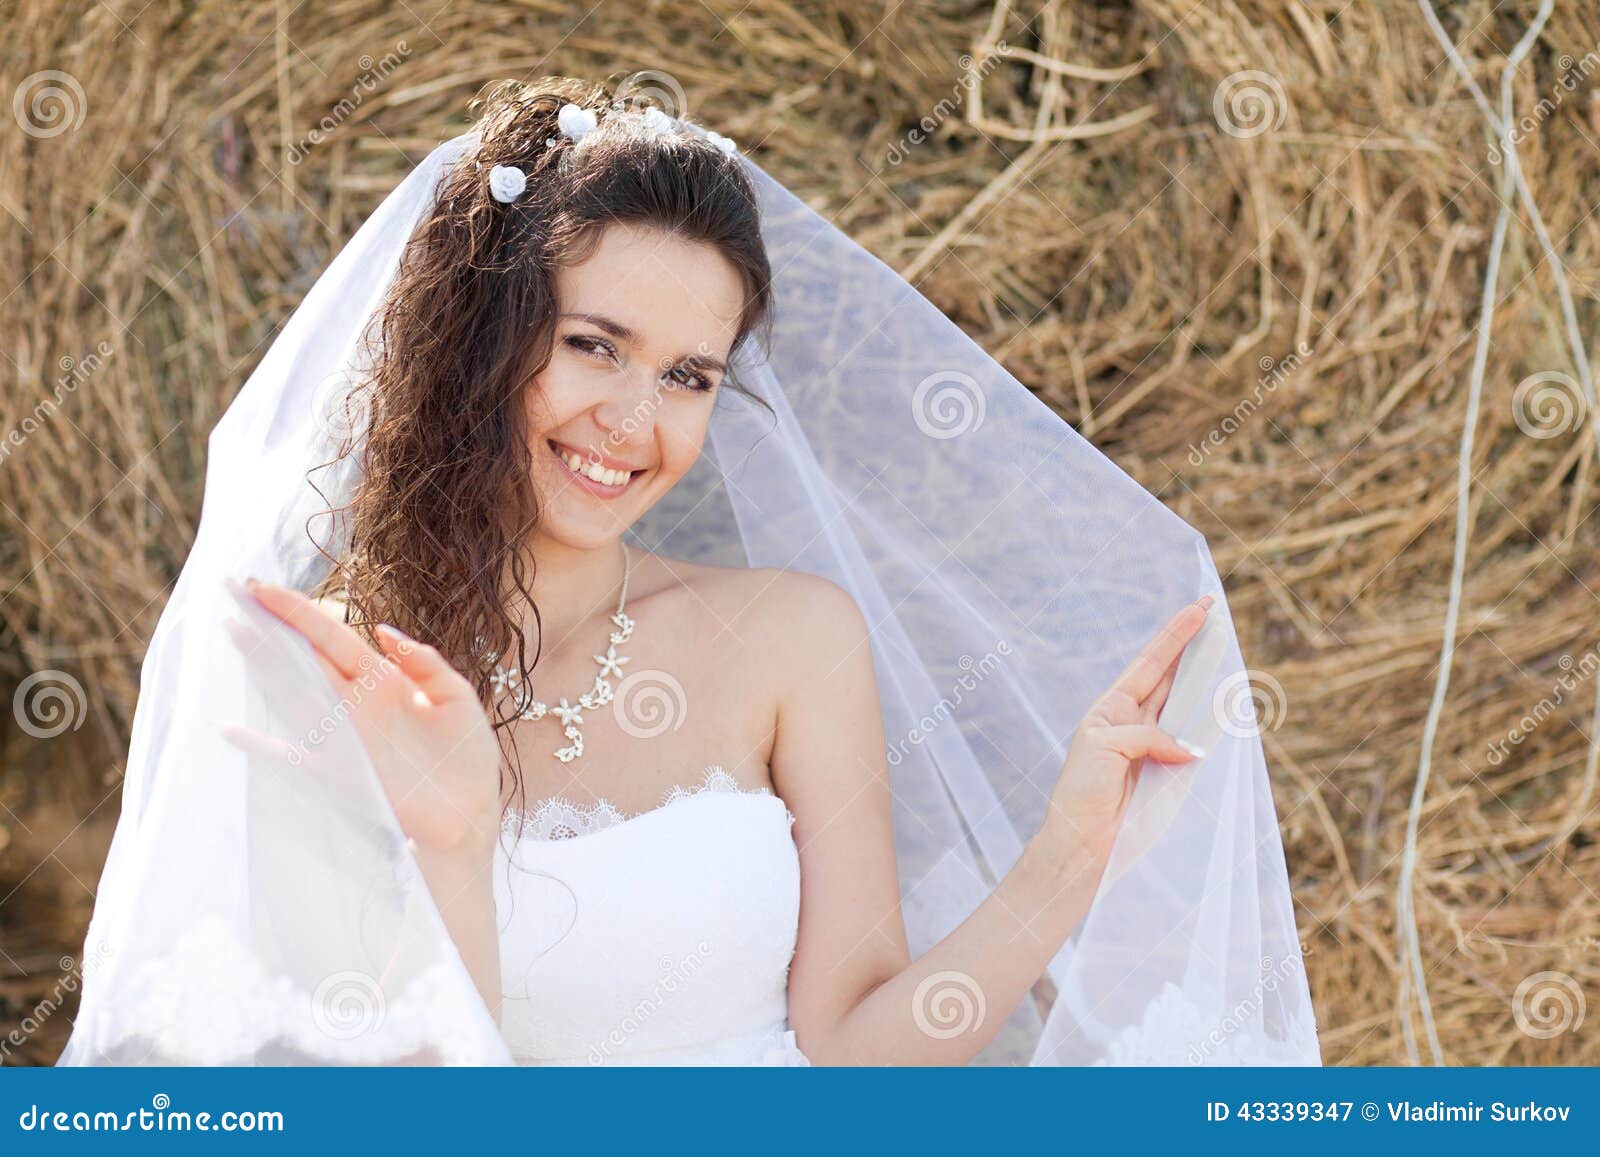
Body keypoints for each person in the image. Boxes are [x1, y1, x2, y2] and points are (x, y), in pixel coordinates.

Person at [59, 77, 1319, 1067]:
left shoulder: (788, 640)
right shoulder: (320, 671)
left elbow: (851, 1050)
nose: (632, 419)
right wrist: (450, 841)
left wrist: (1066, 856)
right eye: (593, 344)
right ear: (476, 341)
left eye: (688, 375)